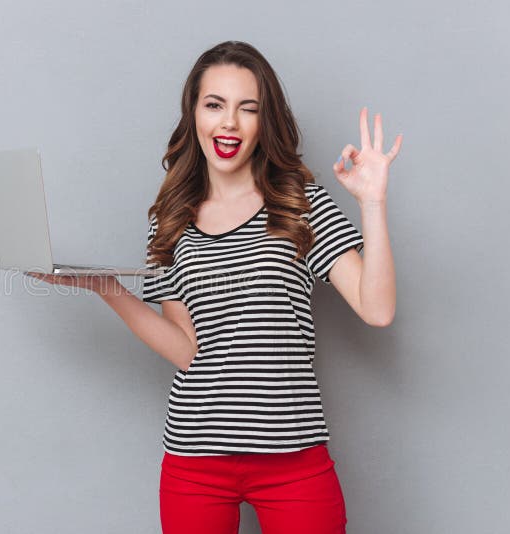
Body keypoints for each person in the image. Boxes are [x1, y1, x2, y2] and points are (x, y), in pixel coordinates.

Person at [27, 40, 401, 534]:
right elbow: (186, 351)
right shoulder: (170, 219)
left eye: (248, 109)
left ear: (265, 123)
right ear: (194, 115)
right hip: (194, 462)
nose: (229, 123)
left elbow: (377, 310)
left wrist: (372, 203)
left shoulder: (298, 203)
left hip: (292, 461)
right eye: (215, 105)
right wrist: (106, 288)